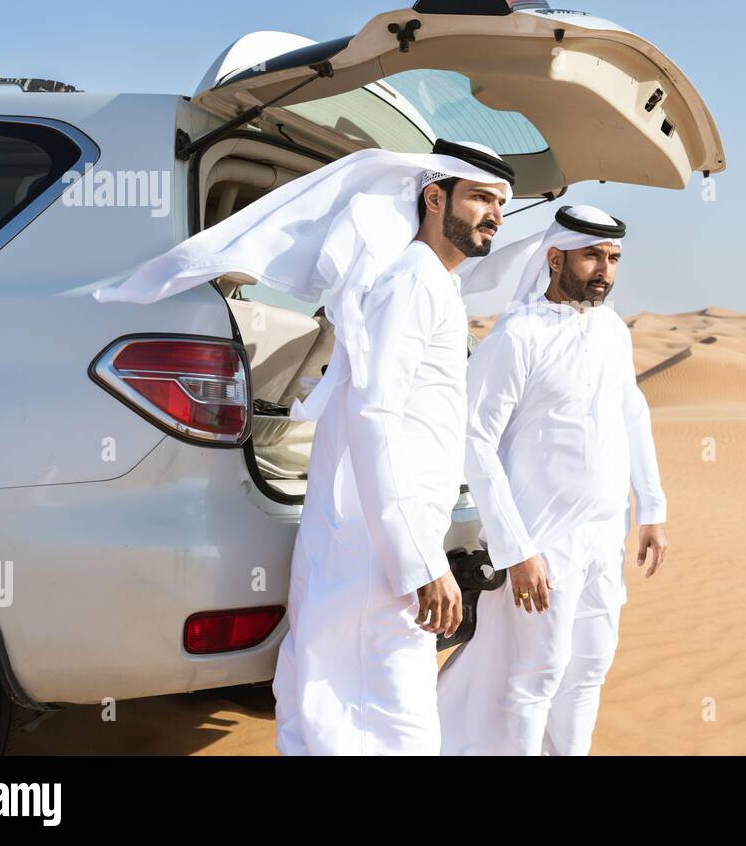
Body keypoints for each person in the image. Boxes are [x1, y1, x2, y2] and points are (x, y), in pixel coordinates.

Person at [94, 139, 514, 754]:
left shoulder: (436, 286)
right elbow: (375, 418)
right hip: (377, 545)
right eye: (479, 197)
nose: (494, 215)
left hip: (386, 537)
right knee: (379, 712)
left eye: (501, 203)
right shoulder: (411, 283)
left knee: (348, 702)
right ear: (434, 198)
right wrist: (421, 561)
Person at [437, 204, 668, 756]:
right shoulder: (519, 336)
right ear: (555, 257)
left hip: (604, 537)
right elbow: (474, 440)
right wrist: (517, 551)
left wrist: (653, 509)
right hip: (541, 541)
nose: (604, 270)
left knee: (589, 667)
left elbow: (632, 414)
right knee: (534, 677)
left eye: (613, 258)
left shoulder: (612, 330)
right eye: (592, 255)